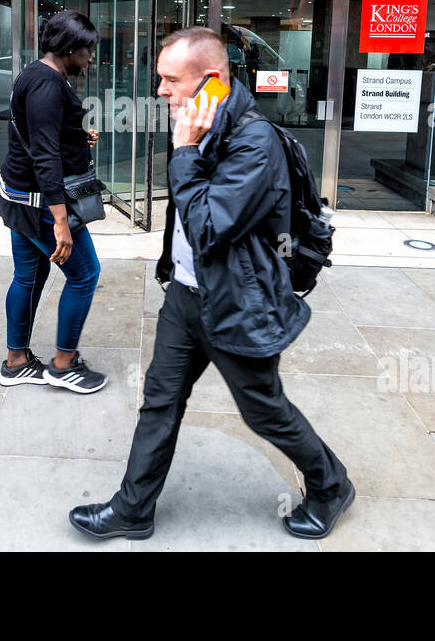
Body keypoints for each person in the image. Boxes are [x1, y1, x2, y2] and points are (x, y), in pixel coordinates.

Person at [69, 27, 354, 542]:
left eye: (170, 80)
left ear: (213, 82)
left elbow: (206, 228)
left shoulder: (253, 142)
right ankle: (133, 509)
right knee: (160, 400)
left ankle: (331, 485)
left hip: (237, 302)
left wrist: (183, 151)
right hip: (186, 295)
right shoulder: (202, 124)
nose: (160, 91)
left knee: (264, 410)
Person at [0, 11, 106, 394]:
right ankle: (63, 364)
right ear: (70, 48)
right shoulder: (47, 86)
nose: (91, 57)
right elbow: (43, 156)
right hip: (40, 203)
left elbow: (44, 136)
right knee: (85, 274)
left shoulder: (36, 74)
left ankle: (16, 362)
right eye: (88, 50)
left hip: (20, 195)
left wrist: (76, 137)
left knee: (28, 277)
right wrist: (61, 221)